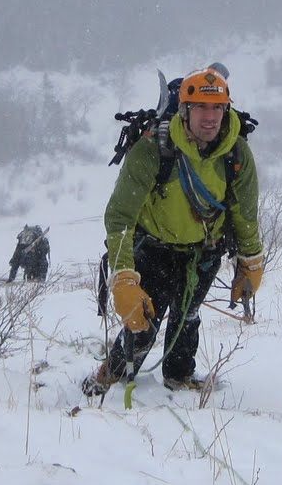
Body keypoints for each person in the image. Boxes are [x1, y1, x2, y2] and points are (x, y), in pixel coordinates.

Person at [83, 66, 264, 395]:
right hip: (155, 247)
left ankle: (178, 375)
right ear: (184, 111)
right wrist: (124, 276)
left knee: (189, 315)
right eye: (201, 109)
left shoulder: (236, 154)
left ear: (226, 110)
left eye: (217, 109)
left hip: (206, 250)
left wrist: (251, 260)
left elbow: (245, 214)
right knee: (142, 320)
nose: (210, 118)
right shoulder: (155, 149)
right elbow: (121, 216)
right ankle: (114, 374)